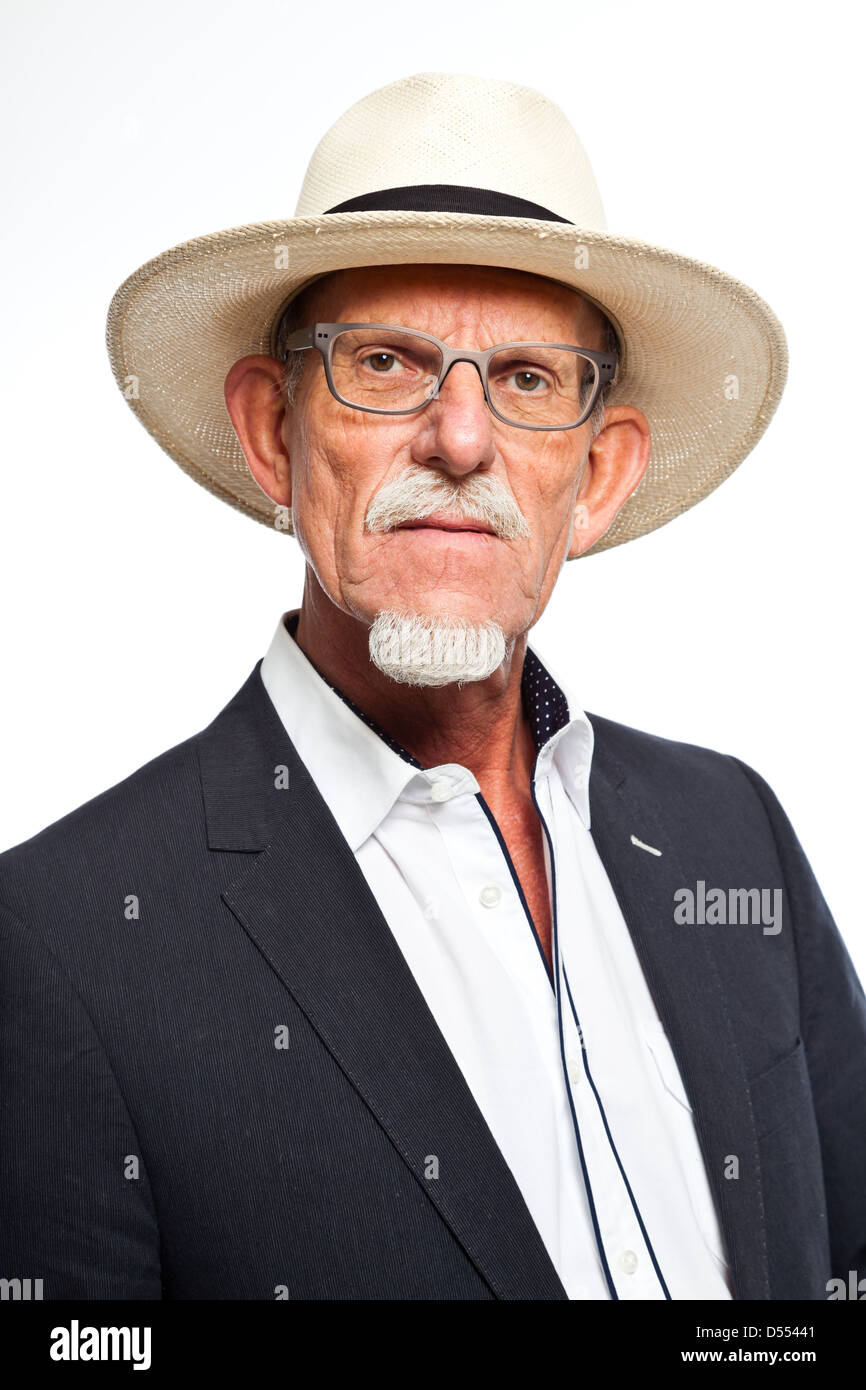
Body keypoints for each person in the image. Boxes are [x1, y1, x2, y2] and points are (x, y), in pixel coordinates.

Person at [2, 71, 864, 1302]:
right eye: (389, 362)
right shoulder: (61, 944)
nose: (459, 440)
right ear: (273, 436)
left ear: (599, 473)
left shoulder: (736, 837)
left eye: (523, 379)